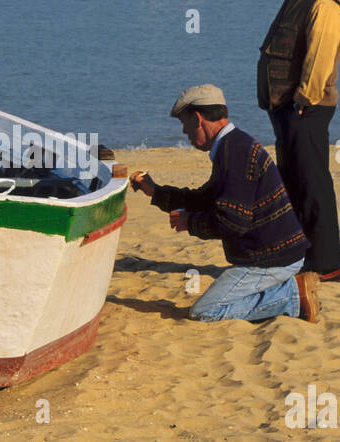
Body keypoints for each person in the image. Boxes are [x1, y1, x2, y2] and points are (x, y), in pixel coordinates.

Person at [131, 85, 319, 323]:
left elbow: (233, 222)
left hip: (272, 260)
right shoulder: (232, 145)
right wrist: (156, 192)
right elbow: (204, 199)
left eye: (185, 124)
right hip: (280, 254)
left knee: (204, 311)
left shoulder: (234, 152)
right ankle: (286, 289)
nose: (184, 132)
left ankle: (292, 294)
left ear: (198, 119)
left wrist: (191, 223)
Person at [257, 0, 340, 281]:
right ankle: (304, 259)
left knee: (313, 187)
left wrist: (300, 103)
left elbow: (318, 62)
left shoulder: (322, 1)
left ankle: (326, 266)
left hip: (305, 109)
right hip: (290, 108)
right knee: (295, 184)